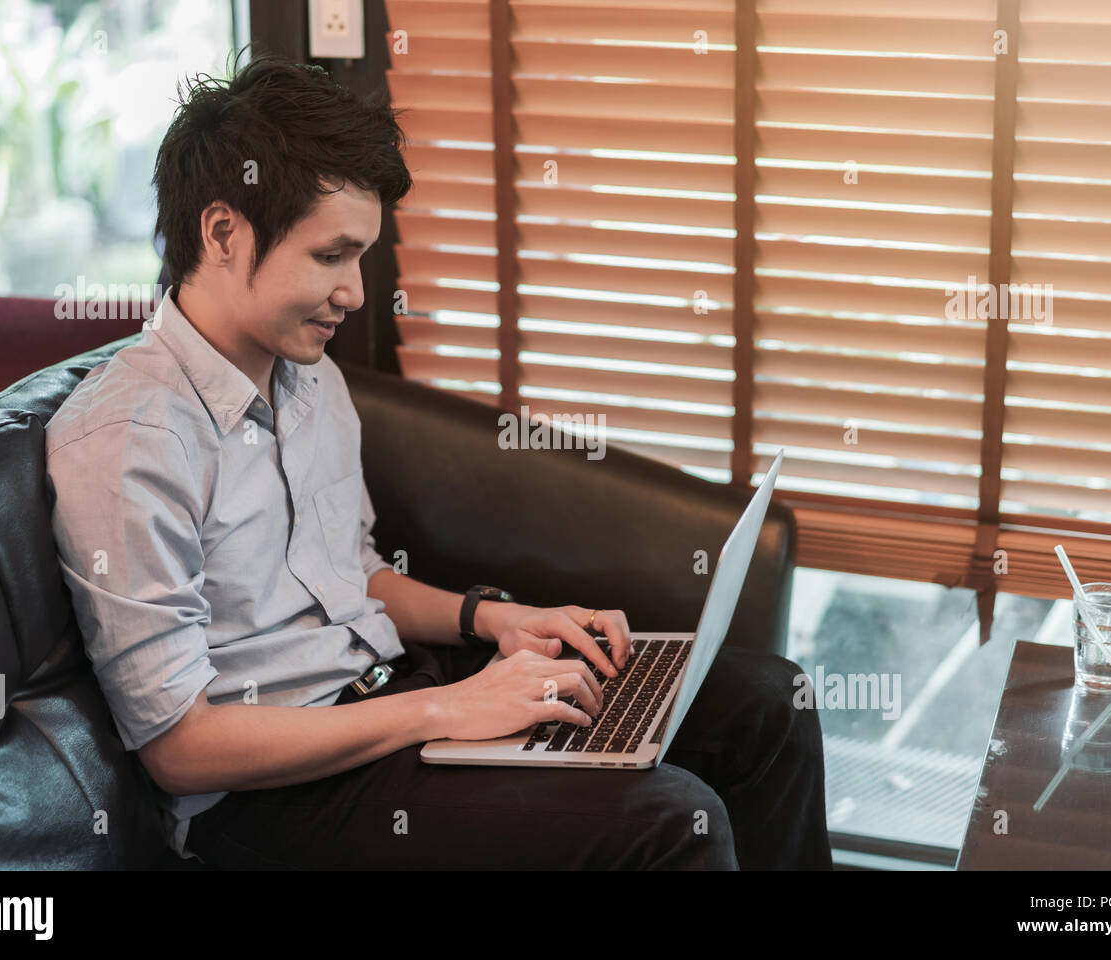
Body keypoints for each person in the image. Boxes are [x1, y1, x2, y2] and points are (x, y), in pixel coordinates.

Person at [44, 52, 832, 870]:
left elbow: (354, 574)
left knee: (769, 704)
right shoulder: (127, 441)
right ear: (221, 232)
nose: (354, 291)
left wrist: (494, 619)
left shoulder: (311, 384)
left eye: (362, 258)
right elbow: (182, 746)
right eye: (330, 257)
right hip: (272, 803)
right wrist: (449, 711)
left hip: (397, 690)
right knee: (671, 819)